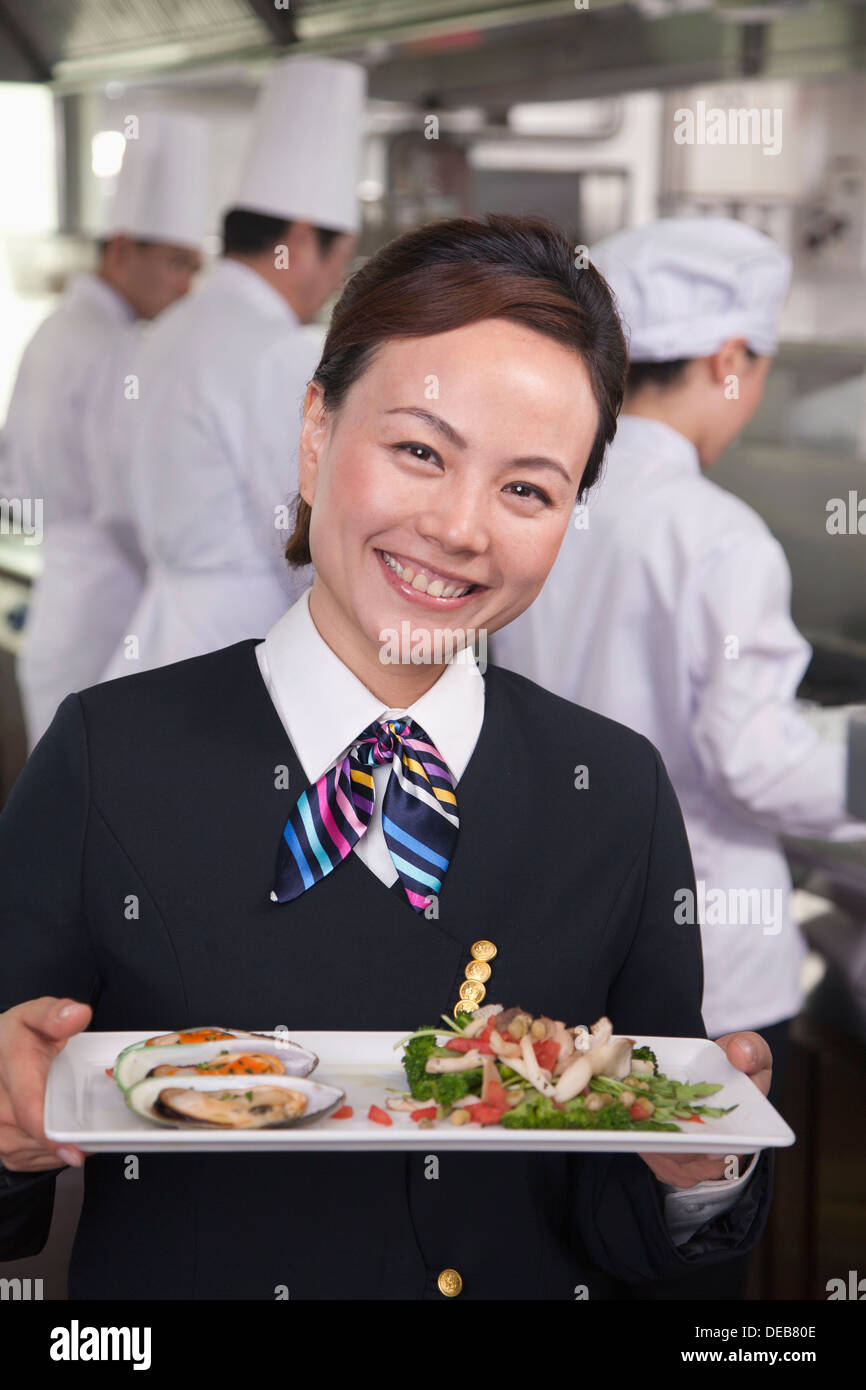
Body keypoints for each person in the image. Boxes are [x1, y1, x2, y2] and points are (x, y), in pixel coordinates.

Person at [0, 214, 775, 1302]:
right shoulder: (106, 759)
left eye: (526, 489)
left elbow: (632, 1223)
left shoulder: (612, 792)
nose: (460, 527)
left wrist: (698, 1176)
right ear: (314, 433)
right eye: (418, 450)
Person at [492, 217, 866, 1295]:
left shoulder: (550, 499)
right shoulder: (717, 532)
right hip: (701, 954)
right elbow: (752, 761)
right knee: (686, 1243)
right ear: (725, 362)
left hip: (548, 933)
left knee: (563, 1228)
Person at [98, 56, 365, 683]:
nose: (333, 282)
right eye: (340, 259)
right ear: (300, 241)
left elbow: (116, 503)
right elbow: (304, 534)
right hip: (241, 642)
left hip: (160, 630)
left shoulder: (162, 332)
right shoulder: (279, 352)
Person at [1, 111, 209, 749]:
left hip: (63, 606)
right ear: (122, 249)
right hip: (109, 610)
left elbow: (10, 478)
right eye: (176, 262)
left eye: (194, 266)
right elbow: (132, 504)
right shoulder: (116, 350)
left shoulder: (54, 330)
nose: (186, 286)